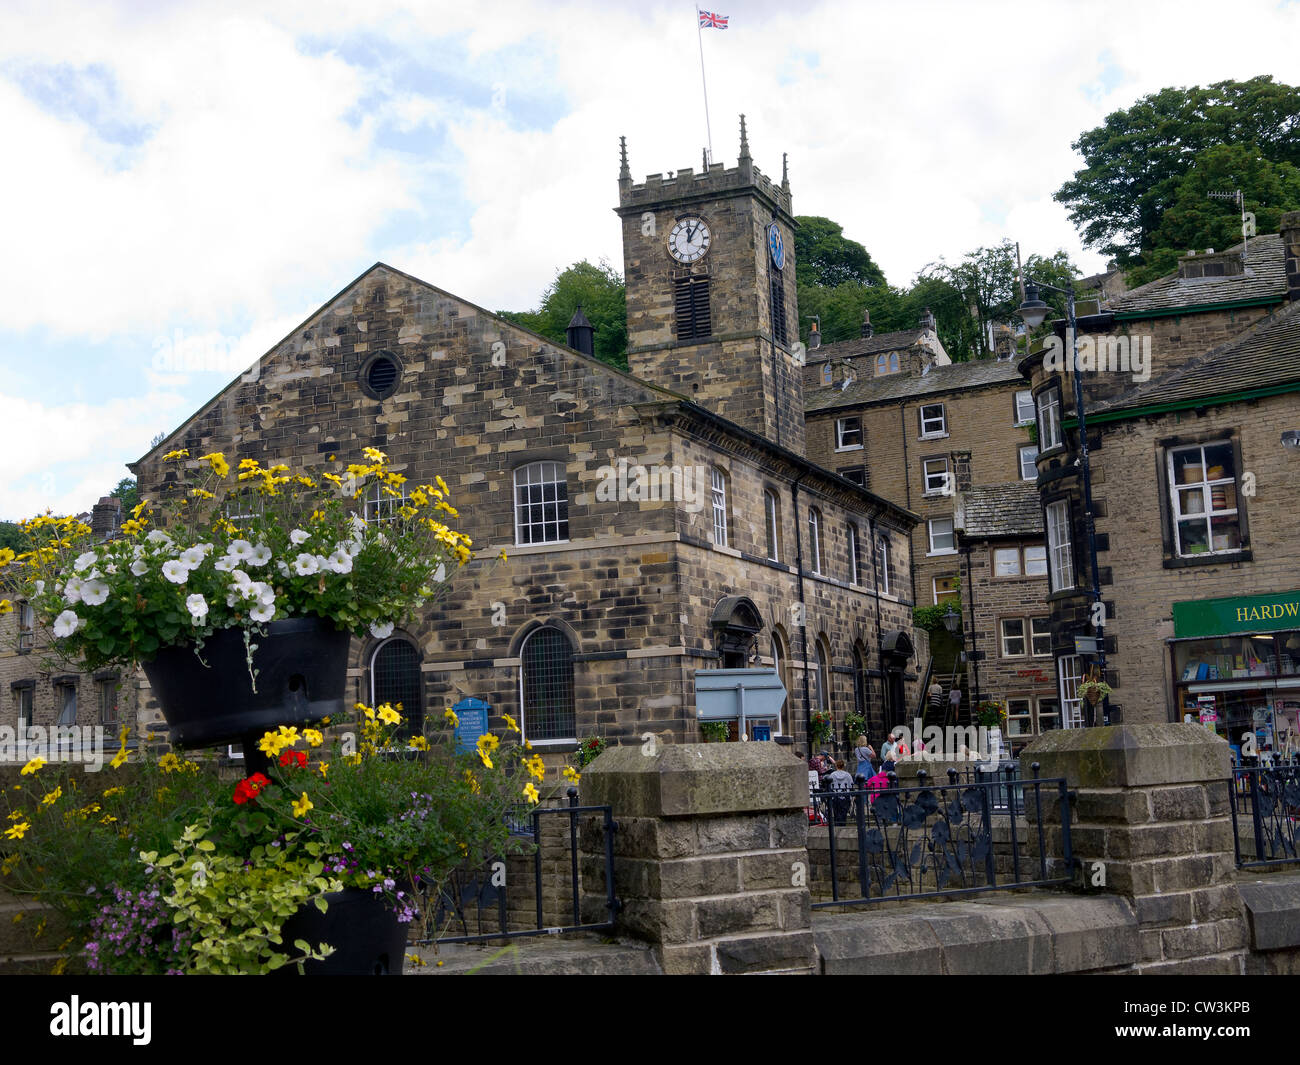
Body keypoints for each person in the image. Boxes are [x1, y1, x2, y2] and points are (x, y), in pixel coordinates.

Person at [827, 759, 854, 825]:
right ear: (843, 766)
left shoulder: (832, 775)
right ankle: (843, 824)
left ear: (836, 766)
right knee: (844, 813)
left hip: (835, 796)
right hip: (845, 796)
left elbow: (829, 785)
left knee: (836, 813)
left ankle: (837, 825)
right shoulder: (847, 775)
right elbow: (851, 785)